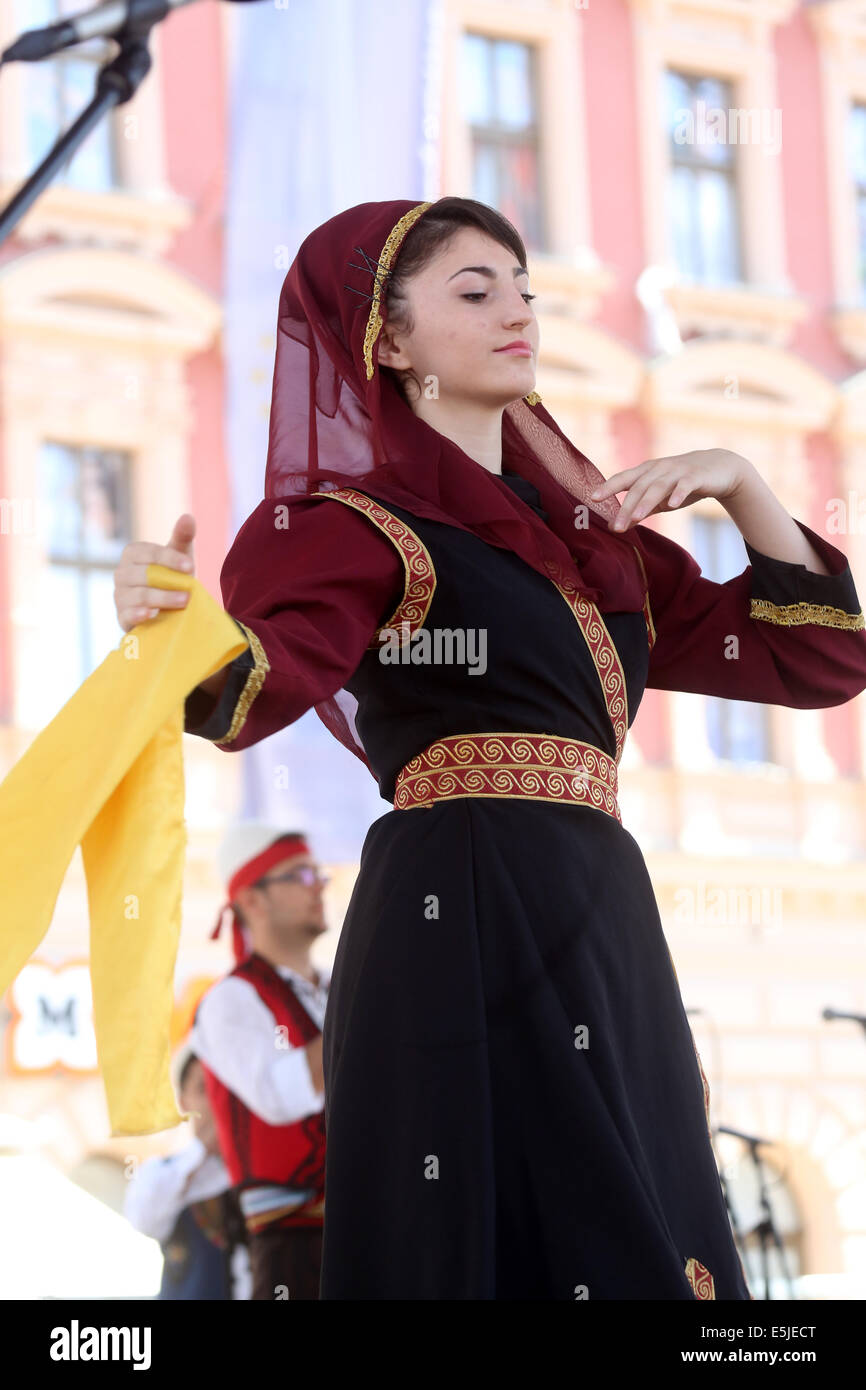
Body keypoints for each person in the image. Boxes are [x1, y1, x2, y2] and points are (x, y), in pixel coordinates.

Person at [112, 197, 866, 1300]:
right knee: (502, 1232)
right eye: (474, 291)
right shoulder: (354, 526)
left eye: (523, 288)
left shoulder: (599, 545)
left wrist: (740, 483)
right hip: (458, 906)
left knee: (659, 1228)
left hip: (600, 908)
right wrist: (162, 623)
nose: (517, 308)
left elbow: (818, 663)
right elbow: (251, 683)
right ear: (390, 339)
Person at [189, 822, 329, 1301]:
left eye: (319, 874)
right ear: (252, 900)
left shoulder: (339, 988)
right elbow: (279, 1095)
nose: (320, 887)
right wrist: (362, 1023)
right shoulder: (230, 1000)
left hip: (381, 1222)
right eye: (301, 875)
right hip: (293, 1243)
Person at [123, 1042, 250, 1299]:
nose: (217, 1100)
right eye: (205, 1089)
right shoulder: (163, 1172)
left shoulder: (256, 1170)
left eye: (223, 1088)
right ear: (183, 1100)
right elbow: (143, 1218)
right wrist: (203, 1149)